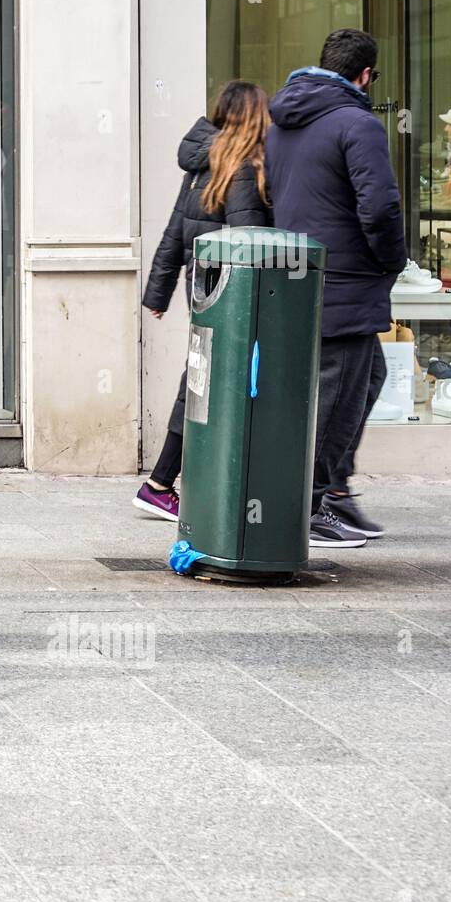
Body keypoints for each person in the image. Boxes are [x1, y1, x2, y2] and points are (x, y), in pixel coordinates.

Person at [266, 28, 407, 547]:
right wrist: (392, 261)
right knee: (337, 397)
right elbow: (381, 206)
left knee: (367, 378)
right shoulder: (357, 122)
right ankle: (309, 506)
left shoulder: (281, 123)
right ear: (366, 74)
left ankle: (336, 492)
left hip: (298, 277)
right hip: (344, 282)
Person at [136, 80, 274, 522]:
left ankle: (164, 483)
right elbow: (247, 243)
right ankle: (162, 483)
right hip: (235, 299)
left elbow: (175, 231)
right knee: (219, 385)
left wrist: (158, 294)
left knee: (199, 379)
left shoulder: (203, 165)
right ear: (257, 118)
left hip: (204, 291)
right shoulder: (245, 170)